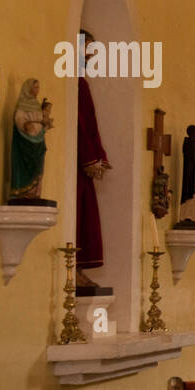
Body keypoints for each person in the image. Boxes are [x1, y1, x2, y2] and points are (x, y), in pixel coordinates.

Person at [75, 70, 111, 282]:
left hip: (83, 163)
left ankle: (78, 269)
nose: (87, 60)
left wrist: (99, 156)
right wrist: (89, 158)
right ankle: (73, 269)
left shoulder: (81, 84)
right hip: (76, 161)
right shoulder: (73, 83)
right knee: (78, 213)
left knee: (84, 214)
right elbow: (78, 125)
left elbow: (91, 125)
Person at [9, 78, 54, 203]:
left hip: (39, 142)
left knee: (38, 166)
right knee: (25, 166)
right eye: (35, 87)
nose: (37, 90)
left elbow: (41, 120)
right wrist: (25, 125)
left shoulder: (37, 105)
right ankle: (23, 192)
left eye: (38, 88)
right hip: (25, 143)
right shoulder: (21, 105)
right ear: (28, 89)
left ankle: (35, 192)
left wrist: (45, 124)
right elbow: (19, 119)